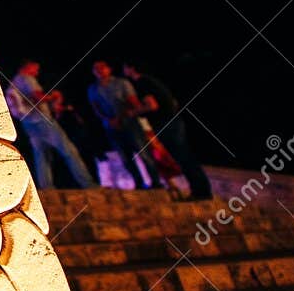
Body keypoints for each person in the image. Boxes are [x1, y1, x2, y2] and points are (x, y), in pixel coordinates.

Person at [124, 61, 213, 200]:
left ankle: (201, 192)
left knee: (183, 158)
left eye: (125, 68)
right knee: (185, 156)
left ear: (130, 68)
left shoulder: (142, 83)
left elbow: (152, 105)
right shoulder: (153, 81)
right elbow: (173, 101)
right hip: (173, 121)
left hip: (166, 124)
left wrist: (133, 112)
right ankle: (201, 191)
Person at [4, 60, 94, 189]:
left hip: (28, 124)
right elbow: (38, 97)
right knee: (69, 150)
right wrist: (54, 96)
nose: (37, 72)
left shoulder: (14, 82)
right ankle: (88, 184)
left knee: (42, 155)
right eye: (35, 68)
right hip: (42, 120)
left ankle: (47, 189)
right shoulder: (27, 79)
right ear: (28, 67)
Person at [87, 60, 159, 189]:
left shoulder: (121, 83)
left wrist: (120, 117)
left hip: (129, 122)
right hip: (111, 126)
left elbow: (132, 102)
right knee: (125, 156)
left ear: (109, 69)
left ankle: (156, 182)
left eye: (102, 67)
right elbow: (96, 108)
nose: (99, 71)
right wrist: (108, 120)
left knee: (143, 152)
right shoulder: (93, 89)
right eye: (96, 68)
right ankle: (138, 182)